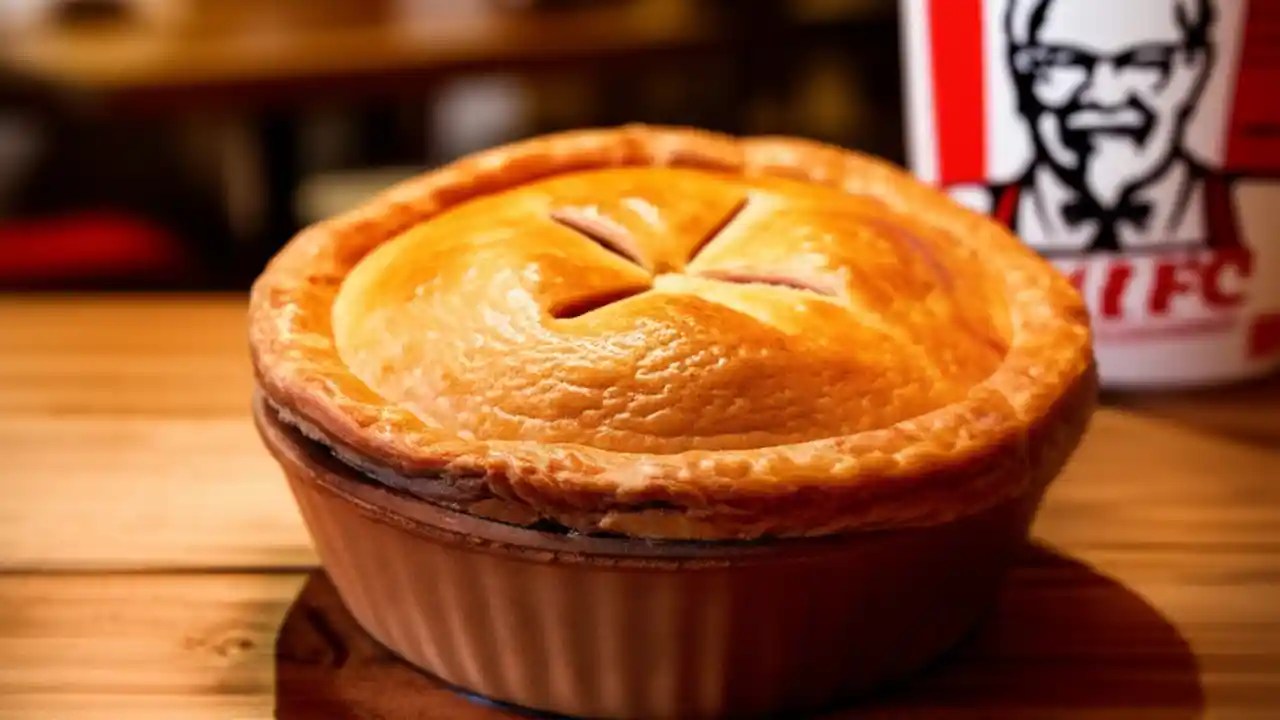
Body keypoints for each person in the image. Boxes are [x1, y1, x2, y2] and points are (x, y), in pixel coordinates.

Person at [963, 0, 1239, 255]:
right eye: (1065, 60)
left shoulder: (1252, 206)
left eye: (1145, 61)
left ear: (1194, 70)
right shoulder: (959, 217)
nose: (1106, 96)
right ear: (1021, 70)